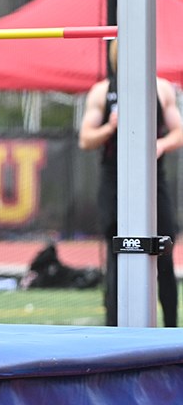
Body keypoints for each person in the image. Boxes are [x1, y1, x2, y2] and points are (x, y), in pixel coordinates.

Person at [78, 39, 183, 327]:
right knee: (116, 257)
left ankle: (172, 331)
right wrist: (110, 127)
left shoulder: (161, 89)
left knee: (163, 252)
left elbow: (179, 132)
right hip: (115, 180)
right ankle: (114, 330)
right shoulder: (102, 92)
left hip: (153, 181)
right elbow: (85, 138)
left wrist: (160, 145)